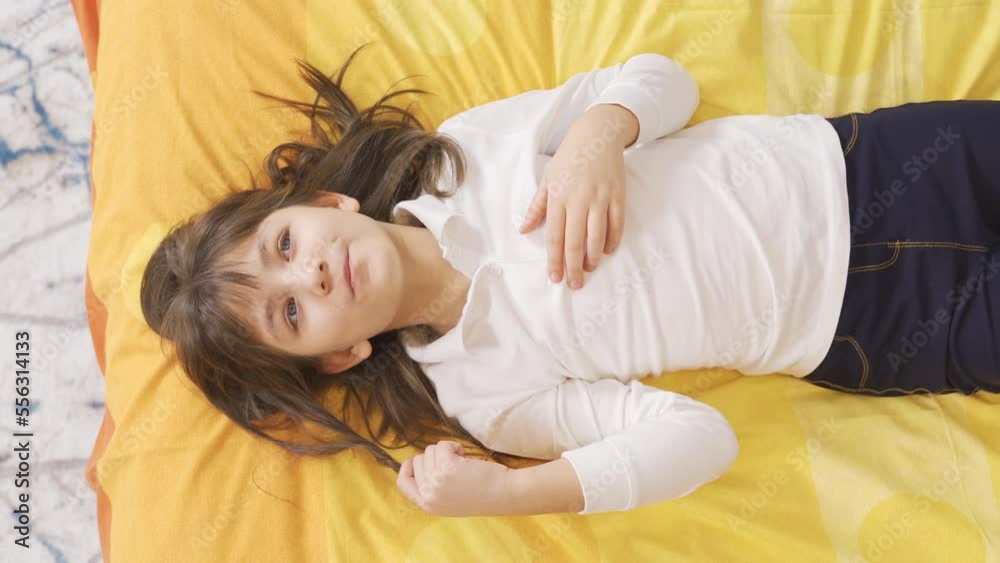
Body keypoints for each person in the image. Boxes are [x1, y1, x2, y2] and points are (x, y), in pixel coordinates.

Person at [139, 42, 1000, 518]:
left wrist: (600, 136)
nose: (314, 271)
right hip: (882, 320)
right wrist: (514, 491)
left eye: (287, 242)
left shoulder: (469, 153)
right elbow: (703, 441)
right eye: (292, 311)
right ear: (337, 355)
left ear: (329, 199)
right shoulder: (485, 392)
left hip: (871, 163)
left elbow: (664, 78)